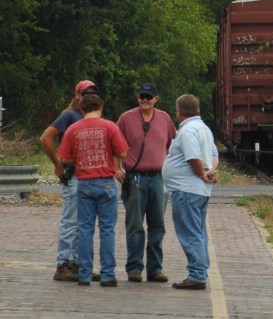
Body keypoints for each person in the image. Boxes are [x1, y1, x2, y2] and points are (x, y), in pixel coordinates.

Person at [57, 93, 128, 287]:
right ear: (101, 107)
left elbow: (64, 158)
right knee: (107, 230)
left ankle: (85, 274)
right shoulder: (110, 127)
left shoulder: (73, 129)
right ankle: (107, 275)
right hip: (105, 182)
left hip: (84, 182)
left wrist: (81, 158)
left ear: (82, 109)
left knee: (85, 230)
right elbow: (122, 152)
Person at [116, 83, 177, 283]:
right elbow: (115, 144)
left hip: (159, 178)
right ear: (137, 97)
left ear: (156, 99)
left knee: (157, 225)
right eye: (142, 96)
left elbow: (172, 144)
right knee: (135, 225)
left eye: (148, 97)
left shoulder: (165, 118)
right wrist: (118, 168)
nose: (145, 100)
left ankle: (155, 269)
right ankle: (134, 268)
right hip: (135, 179)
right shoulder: (126, 118)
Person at [40, 79, 98, 282]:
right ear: (77, 95)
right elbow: (46, 138)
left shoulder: (92, 116)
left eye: (91, 94)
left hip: (87, 176)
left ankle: (77, 263)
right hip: (72, 175)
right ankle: (64, 263)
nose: (87, 97)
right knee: (71, 220)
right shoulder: (69, 115)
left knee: (84, 222)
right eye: (84, 94)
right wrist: (57, 165)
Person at [163, 94, 219, 290]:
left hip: (186, 188)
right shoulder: (204, 129)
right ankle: (200, 271)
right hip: (199, 190)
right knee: (198, 230)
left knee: (190, 231)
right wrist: (211, 171)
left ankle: (196, 274)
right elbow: (214, 154)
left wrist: (202, 174)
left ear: (179, 111)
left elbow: (193, 157)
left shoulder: (188, 131)